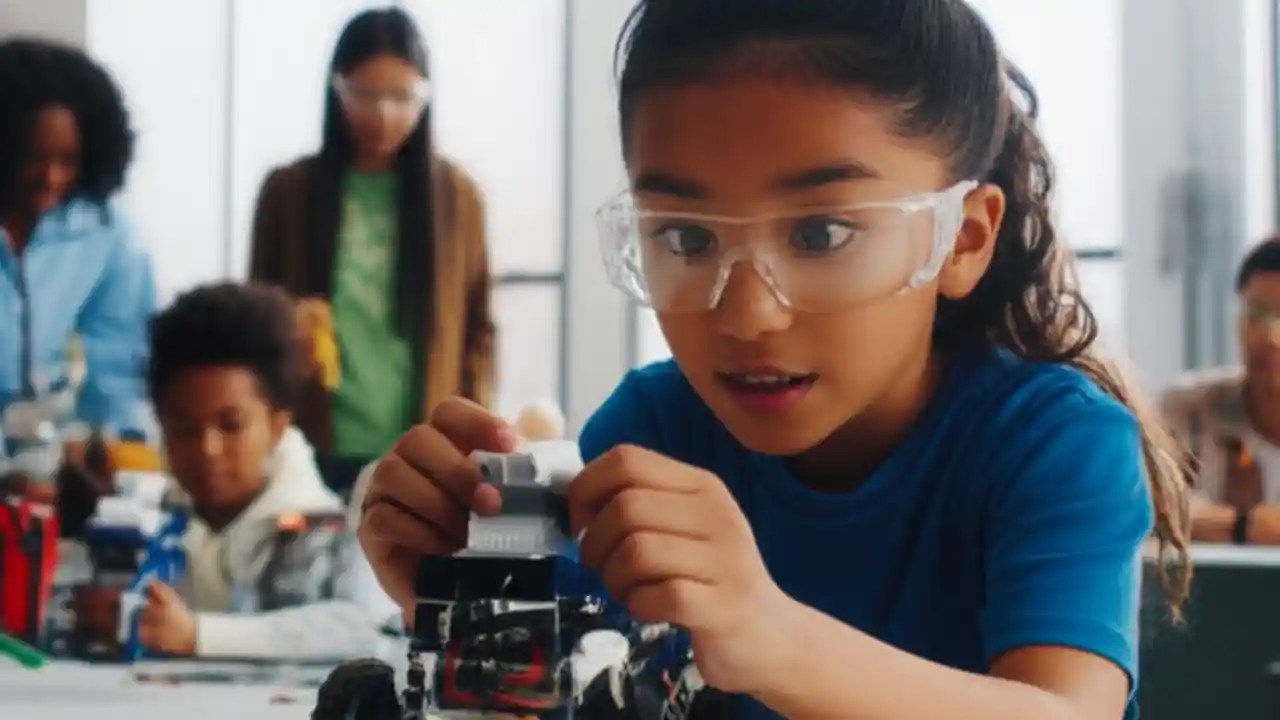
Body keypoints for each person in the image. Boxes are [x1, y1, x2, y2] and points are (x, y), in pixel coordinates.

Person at [356, 1, 1191, 718]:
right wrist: (459, 598)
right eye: (687, 238)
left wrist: (772, 638)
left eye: (822, 234)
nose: (748, 315)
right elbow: (545, 697)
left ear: (963, 239)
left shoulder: (1054, 444)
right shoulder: (654, 428)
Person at [248, 7, 494, 493]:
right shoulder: (288, 193)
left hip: (424, 448)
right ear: (336, 89)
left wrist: (472, 430)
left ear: (425, 97)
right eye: (364, 94)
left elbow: (478, 328)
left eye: (402, 97)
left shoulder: (458, 198)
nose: (383, 114)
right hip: (311, 443)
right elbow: (255, 322)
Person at [136, 282, 396, 660]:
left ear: (277, 423)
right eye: (185, 429)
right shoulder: (146, 523)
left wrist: (199, 634)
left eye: (231, 425)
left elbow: (365, 628)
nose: (207, 449)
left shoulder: (331, 531)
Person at [0, 39, 154, 431]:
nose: (50, 178)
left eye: (67, 160)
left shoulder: (106, 235)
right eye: (34, 157)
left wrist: (114, 447)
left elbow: (116, 366)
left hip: (50, 451)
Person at [1163, 237, 1280, 545]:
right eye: (1256, 314)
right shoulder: (1186, 408)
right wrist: (1246, 526)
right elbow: (1142, 505)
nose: (1270, 337)